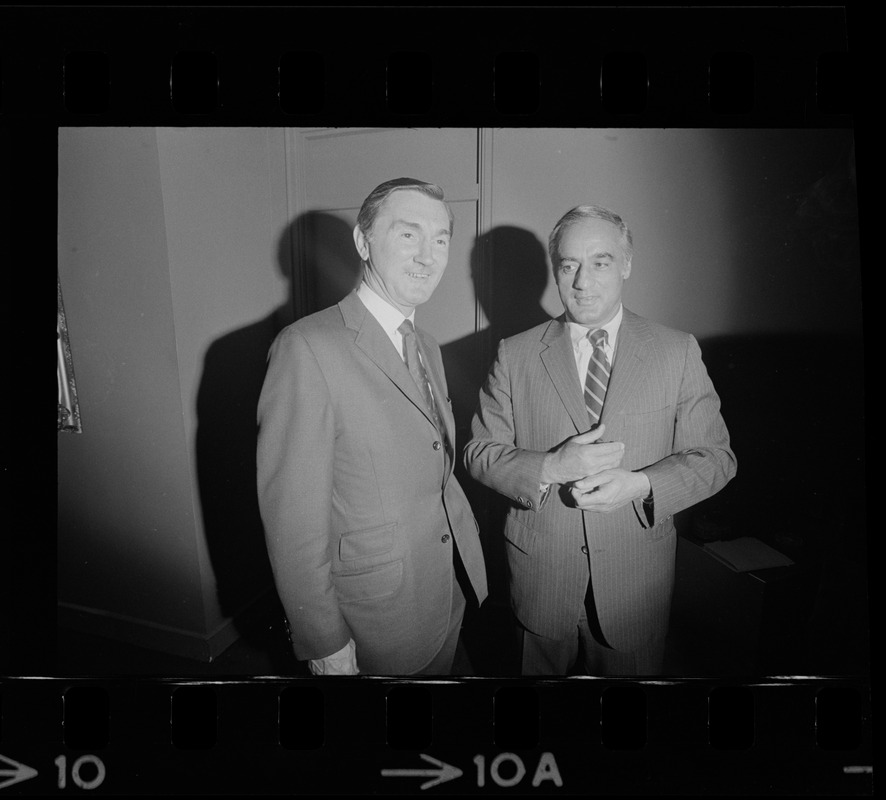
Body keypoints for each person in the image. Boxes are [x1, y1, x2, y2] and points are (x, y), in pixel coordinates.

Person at [464, 205, 736, 676]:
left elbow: (716, 458)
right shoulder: (516, 353)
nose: (582, 282)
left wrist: (642, 485)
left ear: (627, 264)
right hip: (540, 583)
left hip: (636, 587)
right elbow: (479, 452)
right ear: (555, 270)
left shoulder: (676, 350)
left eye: (601, 262)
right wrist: (548, 468)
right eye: (569, 265)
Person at [257, 177, 487, 675]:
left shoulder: (426, 343)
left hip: (445, 592)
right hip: (374, 620)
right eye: (408, 234)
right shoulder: (306, 348)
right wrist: (323, 640)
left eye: (441, 239)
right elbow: (293, 521)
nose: (428, 256)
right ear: (363, 242)